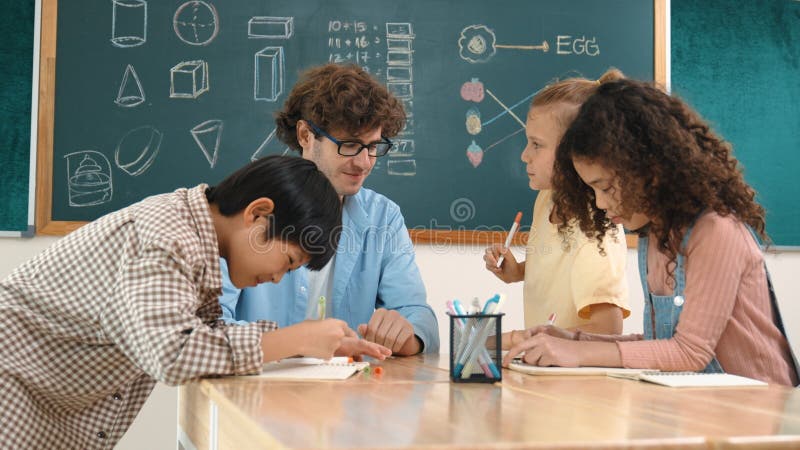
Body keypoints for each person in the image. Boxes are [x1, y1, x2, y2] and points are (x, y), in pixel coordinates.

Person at [0, 155, 391, 448]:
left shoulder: (196, 238)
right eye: (288, 262)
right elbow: (174, 353)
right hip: (13, 405)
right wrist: (296, 339)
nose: (277, 277)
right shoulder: (166, 237)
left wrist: (305, 345)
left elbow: (202, 335)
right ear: (258, 214)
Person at [504, 78, 798, 386]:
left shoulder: (716, 231)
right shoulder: (656, 236)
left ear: (649, 172)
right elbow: (662, 344)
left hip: (761, 406)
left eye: (606, 187)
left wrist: (578, 352)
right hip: (703, 401)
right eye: (593, 190)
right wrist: (573, 339)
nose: (600, 203)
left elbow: (689, 353)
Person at [219, 63, 439, 355]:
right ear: (305, 135)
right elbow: (211, 329)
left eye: (373, 147)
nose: (364, 163)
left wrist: (405, 334)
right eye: (349, 145)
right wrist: (297, 343)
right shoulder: (250, 210)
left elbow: (420, 319)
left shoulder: (383, 218)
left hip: (346, 384)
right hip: (259, 380)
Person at [483, 69, 630, 349]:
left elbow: (608, 328)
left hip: (577, 373)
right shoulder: (547, 199)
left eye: (536, 145)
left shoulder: (597, 230)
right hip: (544, 365)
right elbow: (562, 266)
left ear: (578, 151)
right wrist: (518, 271)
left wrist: (518, 339)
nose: (524, 155)